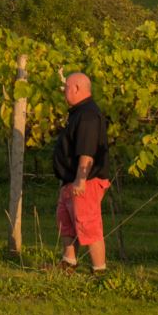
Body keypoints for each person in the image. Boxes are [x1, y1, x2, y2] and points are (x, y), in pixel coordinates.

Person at [55, 71, 112, 274]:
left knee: (88, 224)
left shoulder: (88, 115)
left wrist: (80, 179)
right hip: (70, 179)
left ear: (77, 88)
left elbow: (86, 151)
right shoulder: (78, 112)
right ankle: (68, 263)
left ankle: (100, 271)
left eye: (67, 87)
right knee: (67, 222)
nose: (64, 91)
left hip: (85, 180)